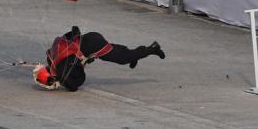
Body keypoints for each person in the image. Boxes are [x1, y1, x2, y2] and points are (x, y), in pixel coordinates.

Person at [33, 26, 165, 92]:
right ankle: (134, 56)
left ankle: (152, 49)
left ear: (51, 78)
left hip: (94, 45)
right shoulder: (53, 56)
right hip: (90, 38)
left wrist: (63, 81)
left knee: (122, 58)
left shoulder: (61, 70)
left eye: (50, 83)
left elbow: (75, 85)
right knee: (118, 53)